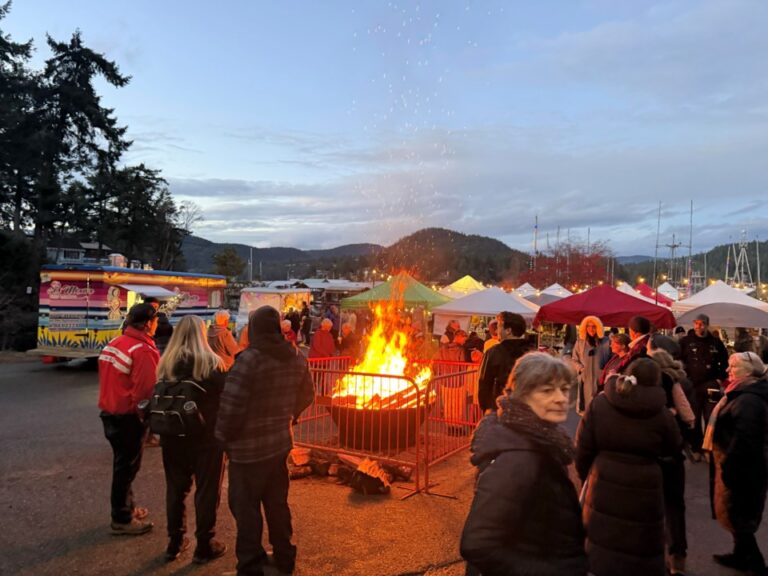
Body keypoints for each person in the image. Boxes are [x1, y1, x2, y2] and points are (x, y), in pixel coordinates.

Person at [460, 353, 588, 576]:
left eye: (564, 389)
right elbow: (478, 543)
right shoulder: (519, 457)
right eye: (548, 391)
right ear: (524, 395)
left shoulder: (541, 442)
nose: (560, 399)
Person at [215, 306, 314, 576]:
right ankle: (284, 557)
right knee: (277, 504)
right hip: (280, 445)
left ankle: (250, 566)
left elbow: (231, 407)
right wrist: (290, 415)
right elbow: (309, 394)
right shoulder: (296, 356)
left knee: (246, 510)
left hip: (247, 453)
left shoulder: (249, 360)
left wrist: (222, 439)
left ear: (255, 329)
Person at [576, 358, 682, 576]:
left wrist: (588, 474)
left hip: (603, 478)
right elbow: (673, 448)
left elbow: (583, 448)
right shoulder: (662, 415)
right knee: (640, 541)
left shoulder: (600, 404)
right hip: (646, 484)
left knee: (601, 539)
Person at [156, 316, 227, 563]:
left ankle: (174, 542)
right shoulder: (211, 363)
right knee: (207, 491)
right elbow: (226, 398)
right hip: (206, 438)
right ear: (201, 334)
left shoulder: (166, 363)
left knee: (175, 490)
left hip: (172, 435)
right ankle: (204, 545)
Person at [97, 303, 160, 535]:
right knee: (127, 468)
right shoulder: (142, 350)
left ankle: (128, 508)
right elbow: (145, 391)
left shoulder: (115, 343)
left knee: (122, 464)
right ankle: (122, 518)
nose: (157, 326)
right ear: (147, 323)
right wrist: (145, 418)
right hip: (128, 417)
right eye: (155, 322)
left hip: (109, 413)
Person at [704, 351, 768, 575]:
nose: (727, 371)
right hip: (735, 464)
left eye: (733, 367)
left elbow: (746, 439)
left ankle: (755, 563)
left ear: (748, 372)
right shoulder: (741, 392)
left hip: (741, 468)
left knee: (740, 515)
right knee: (735, 515)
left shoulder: (748, 399)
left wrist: (731, 467)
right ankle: (740, 555)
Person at [648, 338, 695, 576]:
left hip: (654, 453)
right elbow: (689, 416)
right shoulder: (679, 381)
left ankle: (660, 555)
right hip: (673, 453)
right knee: (675, 505)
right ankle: (677, 556)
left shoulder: (649, 386)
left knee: (654, 505)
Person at [679, 313, 728, 457]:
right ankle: (696, 447)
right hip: (692, 384)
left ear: (707, 325)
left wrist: (719, 379)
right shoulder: (685, 341)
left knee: (710, 417)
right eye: (696, 323)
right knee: (694, 416)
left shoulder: (715, 342)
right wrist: (684, 378)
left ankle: (708, 447)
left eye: (701, 324)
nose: (698, 326)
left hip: (710, 384)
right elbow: (678, 360)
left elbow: (724, 362)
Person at [477, 312, 532, 413]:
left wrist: (486, 408)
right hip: (527, 409)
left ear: (508, 330)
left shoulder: (493, 353)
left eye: (499, 326)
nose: (497, 331)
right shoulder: (532, 353)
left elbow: (484, 383)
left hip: (500, 409)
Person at [571, 315, 610, 414]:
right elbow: (574, 359)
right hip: (586, 380)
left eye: (594, 326)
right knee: (587, 408)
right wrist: (580, 368)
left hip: (600, 380)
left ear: (598, 328)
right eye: (588, 326)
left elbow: (612, 359)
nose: (591, 329)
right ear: (584, 328)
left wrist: (605, 372)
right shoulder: (580, 342)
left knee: (601, 408)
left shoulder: (606, 342)